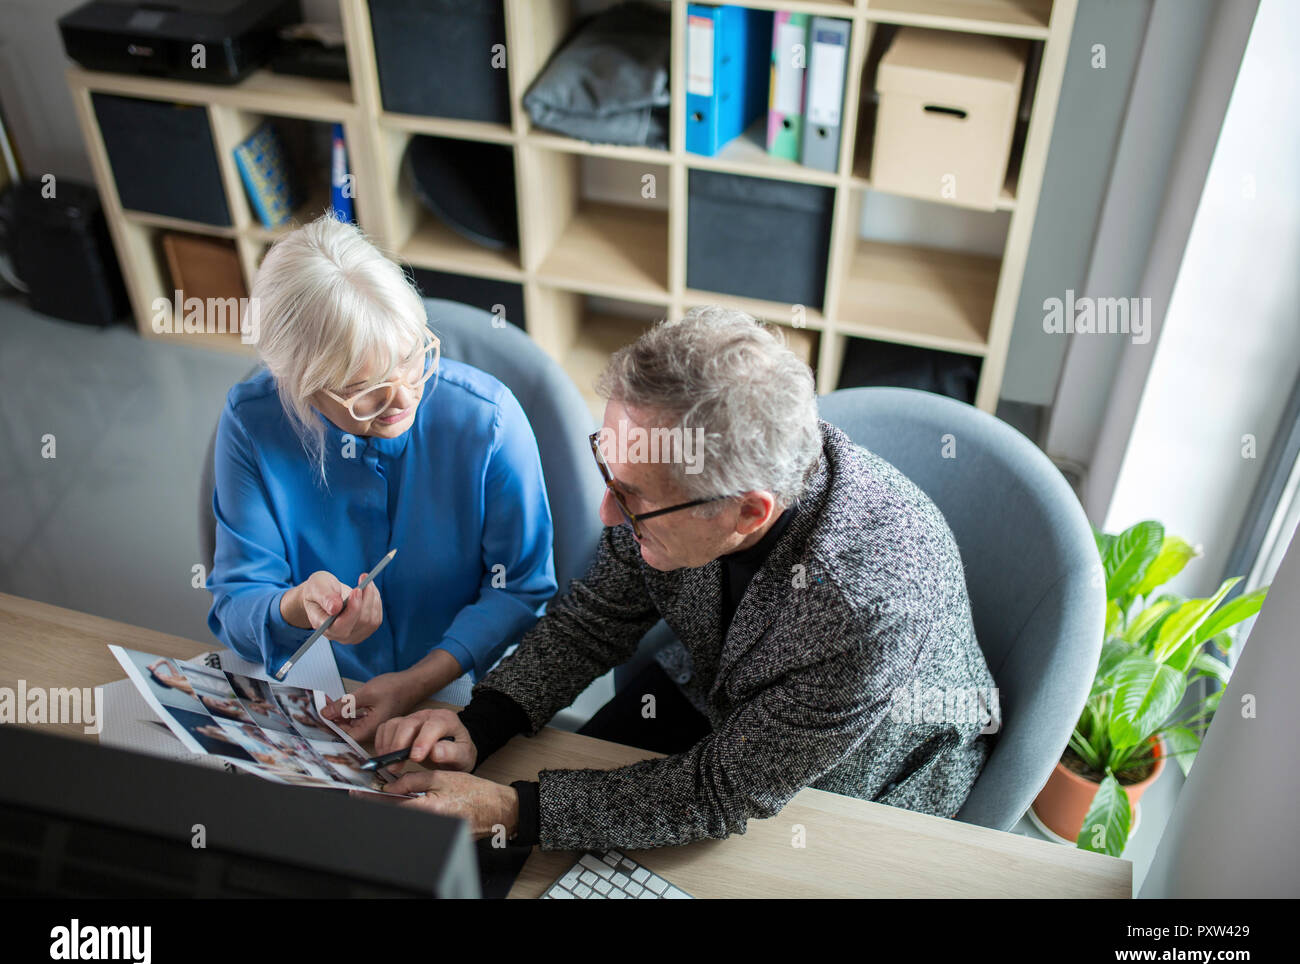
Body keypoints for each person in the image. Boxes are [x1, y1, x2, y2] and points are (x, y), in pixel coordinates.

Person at [375, 305, 999, 849]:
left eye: (633, 499)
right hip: (714, 686)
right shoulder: (664, 472)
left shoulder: (866, 605)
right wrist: (484, 721)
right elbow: (595, 619)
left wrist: (517, 810)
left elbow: (724, 789)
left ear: (748, 511)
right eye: (609, 474)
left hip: (858, 774)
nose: (606, 514)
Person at [206, 214, 557, 741]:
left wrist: (415, 683)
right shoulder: (252, 421)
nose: (403, 398)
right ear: (300, 384)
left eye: (412, 355)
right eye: (363, 386)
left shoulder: (488, 421)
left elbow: (522, 589)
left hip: (450, 668)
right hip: (309, 664)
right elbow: (236, 602)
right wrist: (297, 606)